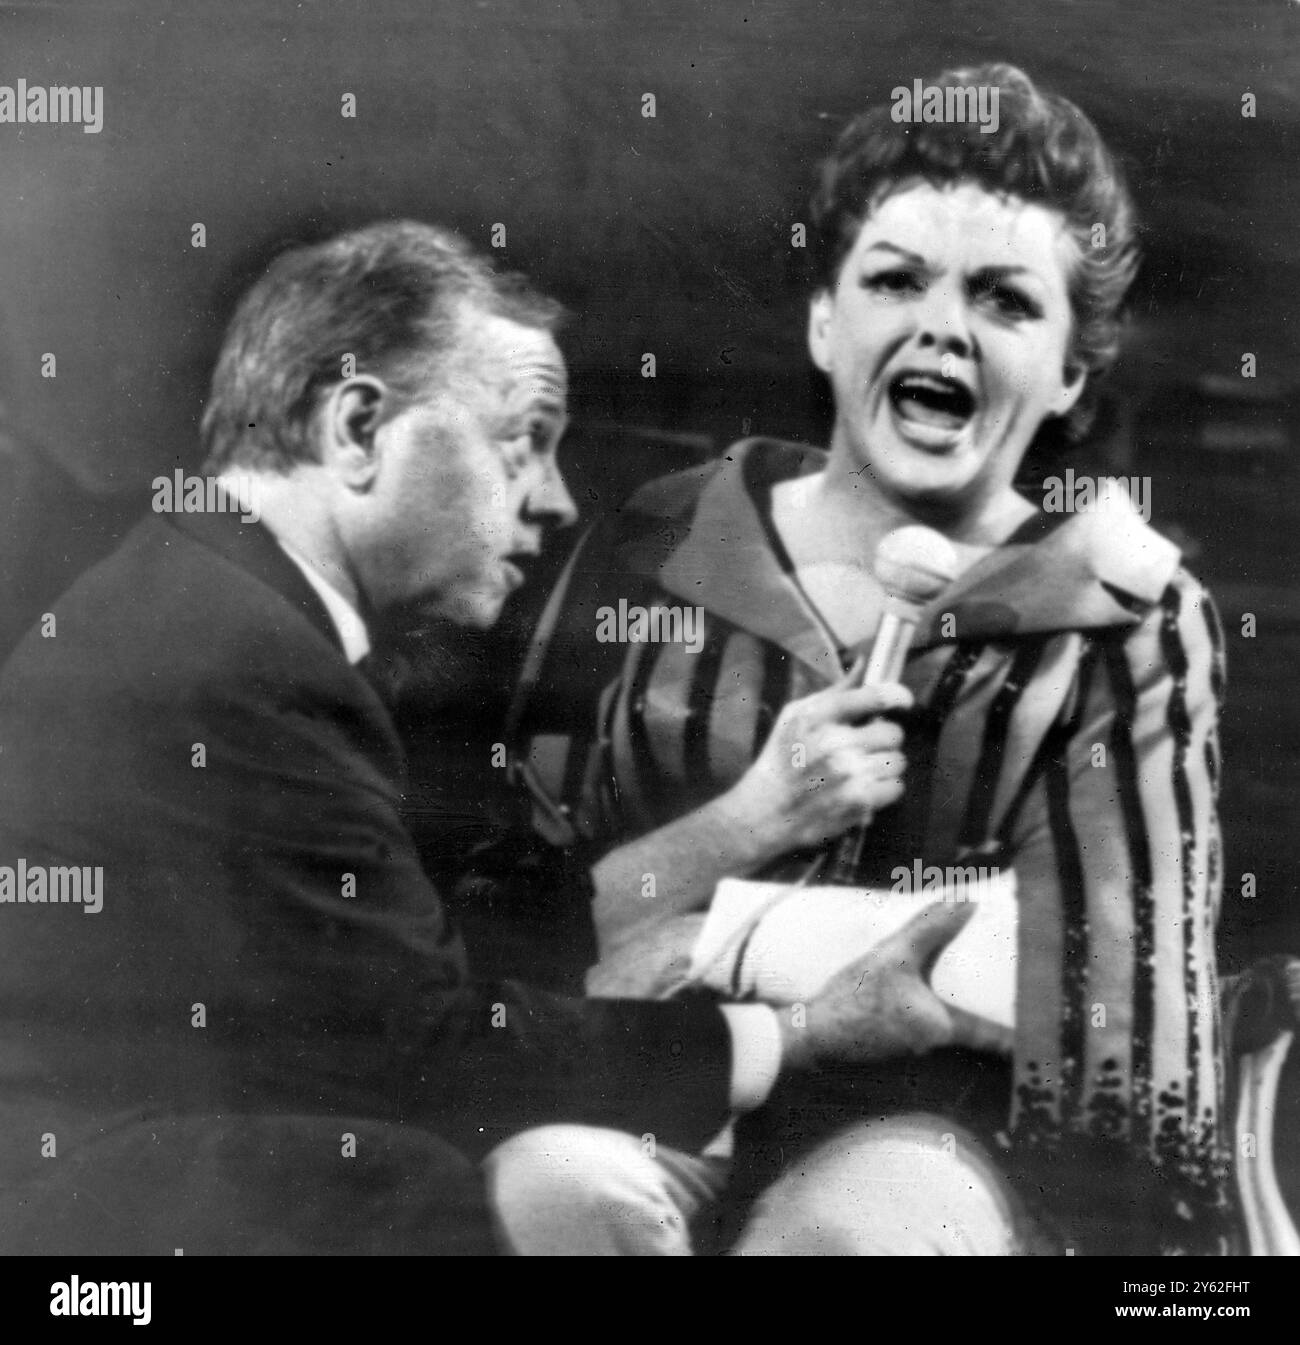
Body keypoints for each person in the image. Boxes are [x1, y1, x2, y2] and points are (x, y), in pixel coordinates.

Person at [0, 219, 993, 1255]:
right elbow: (427, 1050)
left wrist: (749, 820)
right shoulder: (248, 663)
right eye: (523, 440)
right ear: (356, 429)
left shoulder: (206, 595)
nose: (557, 500)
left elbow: (440, 962)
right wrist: (802, 1032)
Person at [507, 64, 1232, 1254]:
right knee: (552, 1188)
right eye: (895, 280)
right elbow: (518, 925)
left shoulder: (1130, 615)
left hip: (953, 1148)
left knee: (851, 1235)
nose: (940, 325)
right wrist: (739, 831)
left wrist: (722, 940)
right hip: (652, 1088)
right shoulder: (657, 542)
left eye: (1004, 300)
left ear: (1070, 376)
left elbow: (1115, 1010)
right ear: (823, 320)